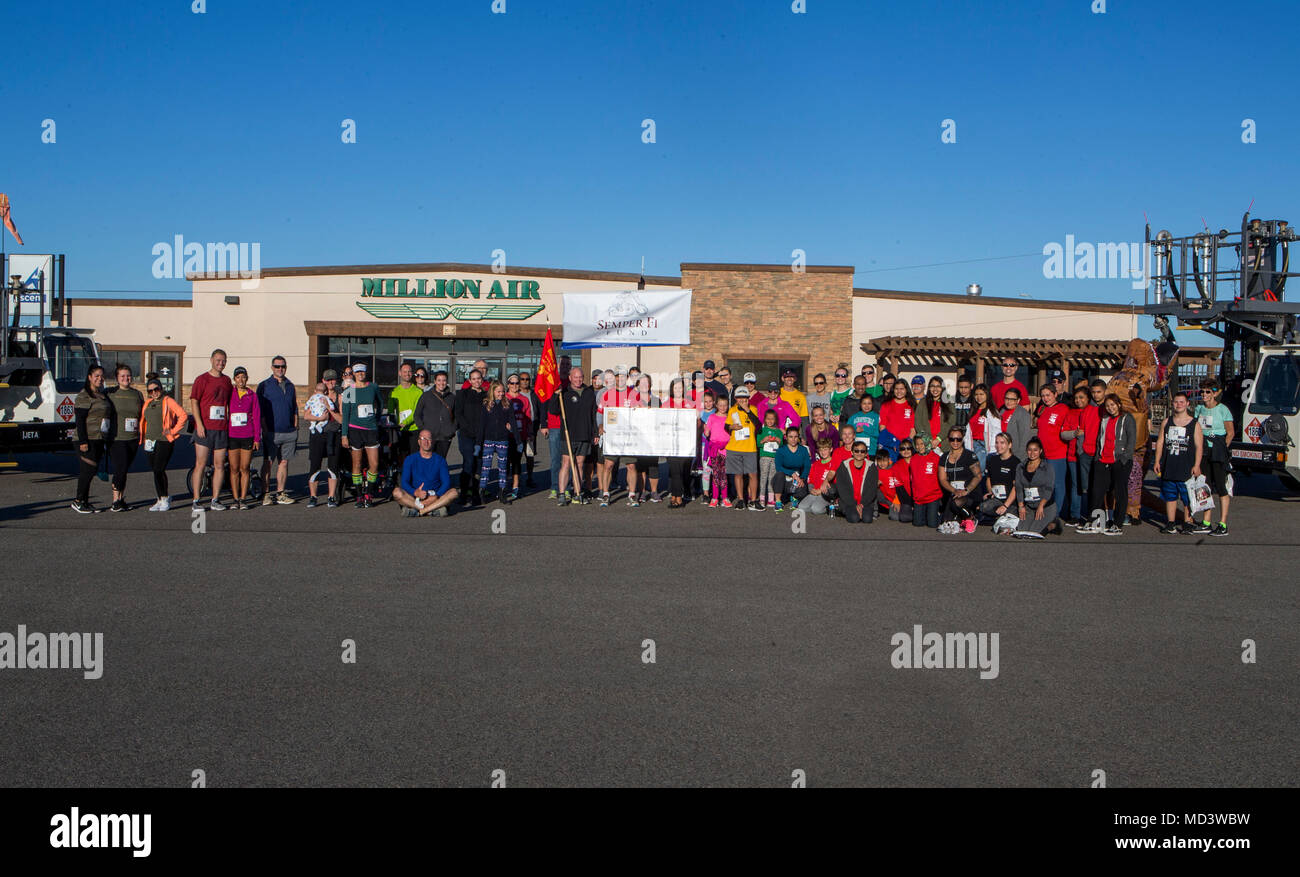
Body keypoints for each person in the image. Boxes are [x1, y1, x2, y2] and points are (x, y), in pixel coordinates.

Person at [1080, 394, 1136, 535]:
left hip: (1119, 460)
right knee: (1096, 491)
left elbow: (1131, 441)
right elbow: (1101, 437)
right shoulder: (1104, 419)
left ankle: (1117, 523)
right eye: (1108, 406)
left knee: (1119, 492)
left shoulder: (1127, 418)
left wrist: (1123, 458)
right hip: (1103, 459)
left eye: (1113, 405)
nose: (1110, 408)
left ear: (1118, 404)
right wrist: (1098, 457)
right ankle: (1094, 520)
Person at [1153, 391, 1204, 534]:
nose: (1179, 404)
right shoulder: (1166, 422)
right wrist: (1157, 460)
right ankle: (1171, 523)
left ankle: (1187, 522)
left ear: (1187, 404)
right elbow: (1160, 442)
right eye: (1176, 402)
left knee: (1187, 497)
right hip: (1169, 465)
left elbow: (1199, 446)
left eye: (1182, 402)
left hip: (1186, 466)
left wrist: (1197, 465)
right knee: (1170, 496)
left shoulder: (1194, 424)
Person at [1191, 379, 1235, 536]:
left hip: (1218, 448)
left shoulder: (1223, 409)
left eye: (1208, 392)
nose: (1204, 394)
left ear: (1215, 393)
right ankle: (1206, 521)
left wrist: (1223, 447)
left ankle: (1222, 523)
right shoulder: (1199, 409)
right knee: (1205, 486)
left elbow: (1230, 432)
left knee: (1221, 487)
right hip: (1203, 450)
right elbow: (1196, 428)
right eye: (1202, 391)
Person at [190, 349, 233, 511]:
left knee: (220, 465)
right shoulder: (202, 379)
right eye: (218, 360)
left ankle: (215, 499)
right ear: (211, 360)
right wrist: (199, 424)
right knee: (200, 464)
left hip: (221, 429)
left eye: (223, 361)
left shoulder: (227, 381)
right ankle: (196, 500)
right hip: (205, 429)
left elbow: (229, 404)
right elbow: (194, 402)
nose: (220, 363)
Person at [550, 367, 597, 506]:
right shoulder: (564, 392)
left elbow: (593, 415)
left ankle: (577, 492)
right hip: (568, 434)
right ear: (570, 378)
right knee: (566, 463)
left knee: (580, 464)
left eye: (580, 377)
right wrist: (555, 395)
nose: (578, 380)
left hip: (584, 434)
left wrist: (595, 433)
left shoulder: (589, 392)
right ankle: (562, 493)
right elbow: (553, 410)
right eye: (575, 377)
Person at [340, 361, 384, 508]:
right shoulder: (348, 391)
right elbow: (345, 415)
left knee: (374, 464)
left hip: (371, 430)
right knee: (357, 464)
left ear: (366, 372)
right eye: (357, 372)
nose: (360, 374)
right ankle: (359, 495)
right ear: (353, 374)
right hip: (355, 430)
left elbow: (381, 404)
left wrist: (376, 420)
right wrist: (344, 435)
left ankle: (369, 494)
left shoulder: (373, 387)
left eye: (362, 372)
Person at [139, 376, 186, 511]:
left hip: (164, 440)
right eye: (150, 391)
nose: (154, 393)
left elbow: (182, 415)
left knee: (159, 469)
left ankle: (164, 498)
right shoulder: (147, 403)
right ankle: (159, 498)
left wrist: (173, 430)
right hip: (149, 441)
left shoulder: (168, 401)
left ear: (161, 389)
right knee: (155, 470)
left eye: (156, 389)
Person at [257, 354, 298, 506]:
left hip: (289, 432)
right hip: (271, 432)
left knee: (284, 463)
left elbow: (294, 407)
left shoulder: (290, 385)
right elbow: (259, 410)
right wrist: (264, 428)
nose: (280, 369)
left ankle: (281, 493)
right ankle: (265, 493)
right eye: (277, 366)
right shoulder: (264, 385)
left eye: (283, 366)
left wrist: (295, 425)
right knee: (268, 462)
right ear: (272, 367)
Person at [72, 365, 112, 513]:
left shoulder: (101, 395)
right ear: (89, 377)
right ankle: (78, 501)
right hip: (85, 438)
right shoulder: (84, 396)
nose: (99, 379)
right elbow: (80, 420)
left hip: (99, 437)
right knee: (87, 470)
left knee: (92, 469)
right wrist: (83, 441)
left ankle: (85, 501)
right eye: (96, 376)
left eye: (101, 376)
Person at [391, 429, 459, 517]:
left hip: (434, 496)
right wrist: (415, 492)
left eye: (429, 439)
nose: (426, 442)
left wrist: (436, 495)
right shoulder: (410, 459)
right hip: (415, 497)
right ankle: (431, 510)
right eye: (423, 439)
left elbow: (446, 483)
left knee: (454, 493)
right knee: (396, 492)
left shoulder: (440, 460)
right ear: (419, 441)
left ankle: (419, 510)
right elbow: (404, 482)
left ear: (433, 441)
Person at [105, 363, 144, 512]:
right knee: (120, 468)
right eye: (122, 376)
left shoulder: (136, 394)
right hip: (116, 438)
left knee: (125, 468)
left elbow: (142, 413)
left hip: (132, 437)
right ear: (117, 378)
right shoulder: (110, 393)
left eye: (128, 375)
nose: (126, 378)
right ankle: (115, 500)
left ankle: (121, 499)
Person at [1071, 379, 1107, 530]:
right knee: (1086, 487)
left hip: (1102, 454)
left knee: (1100, 488)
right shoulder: (1088, 409)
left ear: (1104, 391)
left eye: (1099, 392)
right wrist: (1081, 450)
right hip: (1086, 452)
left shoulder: (1108, 408)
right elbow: (1082, 431)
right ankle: (1089, 518)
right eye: (1093, 392)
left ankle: (1100, 519)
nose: (1096, 395)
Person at [226, 366, 262, 510]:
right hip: (232, 435)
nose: (241, 380)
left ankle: (243, 499)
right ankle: (235, 499)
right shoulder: (230, 393)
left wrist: (257, 438)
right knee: (234, 468)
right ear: (234, 379)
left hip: (247, 435)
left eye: (243, 377)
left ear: (247, 378)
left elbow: (257, 417)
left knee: (245, 467)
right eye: (238, 377)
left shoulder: (252, 395)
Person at [1035, 385, 1071, 526]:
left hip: (1058, 453)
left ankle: (1058, 513)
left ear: (1055, 394)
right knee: (1045, 485)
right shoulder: (1042, 408)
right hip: (1043, 454)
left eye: (1048, 395)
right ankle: (1046, 511)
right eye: (1043, 395)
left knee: (1058, 485)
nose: (1045, 398)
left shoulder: (1062, 408)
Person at [303, 377, 340, 509]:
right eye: (328, 380)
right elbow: (306, 415)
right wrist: (320, 418)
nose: (331, 383)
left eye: (333, 380)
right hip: (317, 435)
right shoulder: (313, 399)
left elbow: (340, 419)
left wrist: (328, 409)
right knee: (315, 465)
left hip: (332, 435)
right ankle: (313, 497)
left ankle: (331, 497)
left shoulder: (337, 398)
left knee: (332, 466)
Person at [478, 380, 515, 504]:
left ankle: (502, 491)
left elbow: (513, 422)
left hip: (502, 440)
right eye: (498, 391)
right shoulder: (486, 405)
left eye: (503, 391)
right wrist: (478, 443)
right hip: (488, 439)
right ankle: (482, 491)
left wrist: (518, 440)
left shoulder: (507, 404)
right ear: (493, 391)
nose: (501, 394)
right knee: (485, 467)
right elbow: (481, 425)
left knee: (503, 467)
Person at [724, 386, 762, 509]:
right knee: (738, 474)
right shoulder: (732, 410)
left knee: (753, 474)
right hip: (735, 447)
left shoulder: (753, 409)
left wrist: (747, 410)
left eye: (744, 397)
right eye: (739, 397)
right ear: (735, 398)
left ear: (748, 398)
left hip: (750, 447)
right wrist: (731, 427)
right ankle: (740, 499)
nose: (742, 400)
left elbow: (758, 426)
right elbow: (726, 426)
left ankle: (754, 500)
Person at [626, 373, 661, 506]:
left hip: (653, 437)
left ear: (650, 385)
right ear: (638, 385)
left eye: (647, 383)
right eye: (642, 383)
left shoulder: (657, 400)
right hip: (638, 437)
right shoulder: (632, 401)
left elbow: (660, 418)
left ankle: (654, 491)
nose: (644, 385)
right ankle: (642, 491)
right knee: (640, 466)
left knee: (653, 465)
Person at [663, 377, 697, 509]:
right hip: (670, 442)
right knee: (674, 469)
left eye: (680, 387)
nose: (678, 390)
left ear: (684, 389)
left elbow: (696, 419)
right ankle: (676, 497)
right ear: (672, 389)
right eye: (675, 387)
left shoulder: (690, 403)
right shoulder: (666, 403)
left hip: (685, 442)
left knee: (682, 470)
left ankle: (678, 495)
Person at [1011, 437, 1057, 538]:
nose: (1032, 453)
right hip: (1029, 506)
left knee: (1035, 532)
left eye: (1035, 450)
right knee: (1021, 532)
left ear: (1040, 451)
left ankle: (1053, 524)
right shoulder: (1020, 466)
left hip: (1045, 506)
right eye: (1029, 450)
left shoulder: (1047, 467)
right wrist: (1021, 506)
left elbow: (1049, 488)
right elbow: (1018, 488)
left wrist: (1041, 505)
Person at [453, 369, 487, 504]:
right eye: (473, 379)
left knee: (479, 463)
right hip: (466, 434)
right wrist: (466, 427)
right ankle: (464, 492)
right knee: (469, 462)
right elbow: (458, 413)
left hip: (481, 435)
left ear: (482, 379)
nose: (476, 381)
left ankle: (475, 492)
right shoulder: (463, 394)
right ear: (469, 380)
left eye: (478, 378)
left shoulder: (486, 395)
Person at [938, 426, 981, 526]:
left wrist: (966, 491)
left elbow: (978, 476)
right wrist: (954, 490)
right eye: (952, 439)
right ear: (948, 440)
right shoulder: (944, 457)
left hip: (969, 492)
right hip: (954, 492)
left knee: (956, 503)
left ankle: (970, 517)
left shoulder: (970, 456)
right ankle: (960, 518)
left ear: (963, 439)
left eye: (959, 439)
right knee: (946, 522)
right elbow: (942, 479)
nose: (955, 442)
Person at [977, 432, 1020, 523]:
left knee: (1010, 515)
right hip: (997, 499)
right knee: (982, 507)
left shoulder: (1015, 462)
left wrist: (1005, 506)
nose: (998, 445)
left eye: (1002, 442)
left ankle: (1003, 515)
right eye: (997, 442)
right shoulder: (992, 460)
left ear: (1010, 445)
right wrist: (990, 492)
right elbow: (988, 478)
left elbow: (1016, 487)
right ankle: (997, 516)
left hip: (1010, 501)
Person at [414, 370, 456, 460]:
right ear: (435, 381)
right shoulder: (426, 396)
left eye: (444, 380)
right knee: (428, 460)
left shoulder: (452, 397)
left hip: (445, 436)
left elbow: (456, 416)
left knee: (441, 460)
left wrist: (452, 429)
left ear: (447, 382)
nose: (441, 383)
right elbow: (417, 414)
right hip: (429, 436)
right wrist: (423, 429)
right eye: (439, 380)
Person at [1061, 387, 1088, 523]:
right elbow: (1063, 433)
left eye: (1081, 397)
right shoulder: (1071, 413)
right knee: (1075, 485)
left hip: (1089, 454)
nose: (1078, 400)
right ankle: (1075, 514)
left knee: (1088, 485)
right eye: (1076, 398)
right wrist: (1074, 433)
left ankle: (1090, 514)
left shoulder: (1093, 412)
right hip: (1073, 455)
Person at [834, 440, 878, 524]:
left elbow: (872, 489)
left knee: (867, 519)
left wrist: (862, 504)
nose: (859, 453)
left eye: (862, 451)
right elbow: (842, 489)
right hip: (848, 501)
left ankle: (858, 511)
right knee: (854, 518)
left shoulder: (871, 467)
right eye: (856, 451)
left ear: (866, 453)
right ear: (852, 452)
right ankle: (845, 510)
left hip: (865, 501)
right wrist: (854, 504)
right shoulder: (844, 465)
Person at [387, 362, 423, 464]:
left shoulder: (418, 392)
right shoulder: (394, 392)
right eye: (404, 371)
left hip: (414, 430)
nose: (407, 374)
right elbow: (390, 412)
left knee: (414, 458)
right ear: (399, 373)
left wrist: (405, 422)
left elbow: (417, 411)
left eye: (409, 371)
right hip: (399, 430)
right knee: (401, 458)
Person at [504, 373, 532, 501]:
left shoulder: (524, 399)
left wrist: (528, 434)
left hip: (520, 435)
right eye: (512, 383)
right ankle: (503, 486)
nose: (515, 386)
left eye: (516, 383)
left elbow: (528, 418)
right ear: (508, 385)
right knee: (505, 462)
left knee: (516, 461)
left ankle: (515, 487)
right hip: (505, 435)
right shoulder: (504, 398)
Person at [907, 434, 943, 528]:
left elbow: (941, 477)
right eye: (917, 444)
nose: (919, 446)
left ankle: (942, 515)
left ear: (927, 443)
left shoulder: (935, 458)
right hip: (919, 498)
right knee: (917, 523)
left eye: (922, 444)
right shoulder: (913, 459)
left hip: (933, 497)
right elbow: (913, 479)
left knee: (932, 524)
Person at [772, 426, 811, 511]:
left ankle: (795, 499)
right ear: (786, 437)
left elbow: (807, 466)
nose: (793, 439)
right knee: (779, 475)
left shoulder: (803, 450)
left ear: (798, 437)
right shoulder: (781, 450)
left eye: (795, 437)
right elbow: (778, 467)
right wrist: (791, 473)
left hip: (797, 478)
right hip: (784, 479)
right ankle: (778, 501)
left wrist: (802, 478)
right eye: (790, 437)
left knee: (802, 488)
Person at [702, 392, 730, 507]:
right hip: (714, 449)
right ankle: (714, 498)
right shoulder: (712, 417)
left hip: (726, 449)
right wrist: (706, 431)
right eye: (721, 405)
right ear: (716, 405)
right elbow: (707, 430)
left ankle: (724, 497)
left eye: (725, 405)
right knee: (715, 474)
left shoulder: (729, 417)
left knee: (724, 475)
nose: (723, 407)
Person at [878, 379, 917, 461]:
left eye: (902, 389)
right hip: (890, 446)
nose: (899, 391)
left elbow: (913, 429)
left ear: (906, 390)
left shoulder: (911, 405)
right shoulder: (886, 405)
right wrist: (893, 443)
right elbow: (882, 427)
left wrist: (906, 443)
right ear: (893, 390)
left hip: (905, 447)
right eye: (896, 389)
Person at [799, 438, 839, 516]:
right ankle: (816, 503)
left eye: (825, 449)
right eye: (820, 450)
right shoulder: (816, 464)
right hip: (814, 492)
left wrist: (820, 491)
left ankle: (830, 505)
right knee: (801, 507)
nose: (823, 452)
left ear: (831, 449)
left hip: (825, 493)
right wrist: (811, 490)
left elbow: (835, 483)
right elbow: (810, 480)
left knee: (816, 510)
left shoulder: (834, 463)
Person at [518, 371, 542, 488]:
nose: (525, 381)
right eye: (522, 379)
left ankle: (530, 477)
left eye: (527, 379)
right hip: (518, 429)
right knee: (516, 455)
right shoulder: (514, 394)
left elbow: (540, 409)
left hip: (532, 427)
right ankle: (514, 479)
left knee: (530, 455)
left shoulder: (534, 394)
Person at [756, 408, 783, 509]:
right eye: (768, 419)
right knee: (763, 478)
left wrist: (779, 440)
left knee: (772, 478)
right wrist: (764, 440)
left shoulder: (778, 432)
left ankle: (771, 499)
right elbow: (758, 443)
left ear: (775, 420)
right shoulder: (762, 430)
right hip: (764, 457)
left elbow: (782, 446)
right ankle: (762, 498)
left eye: (772, 419)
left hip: (774, 457)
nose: (770, 421)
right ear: (765, 420)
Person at [966, 383, 997, 470]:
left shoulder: (991, 412)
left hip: (984, 445)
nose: (978, 397)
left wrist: (992, 449)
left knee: (979, 472)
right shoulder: (973, 410)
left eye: (981, 394)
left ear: (987, 395)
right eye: (976, 394)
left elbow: (996, 432)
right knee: (972, 472)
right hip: (972, 445)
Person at [921, 377, 954, 450]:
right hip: (927, 443)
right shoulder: (923, 402)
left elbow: (951, 422)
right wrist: (927, 439)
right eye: (932, 386)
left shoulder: (949, 401)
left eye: (938, 386)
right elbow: (918, 423)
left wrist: (939, 439)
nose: (935, 389)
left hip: (944, 443)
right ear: (929, 388)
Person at [999, 387, 1032, 460]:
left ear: (1018, 400)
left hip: (1015, 454)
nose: (1008, 402)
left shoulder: (1022, 414)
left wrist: (1018, 458)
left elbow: (1025, 438)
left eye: (1012, 399)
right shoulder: (1002, 410)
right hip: (1002, 451)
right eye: (1007, 398)